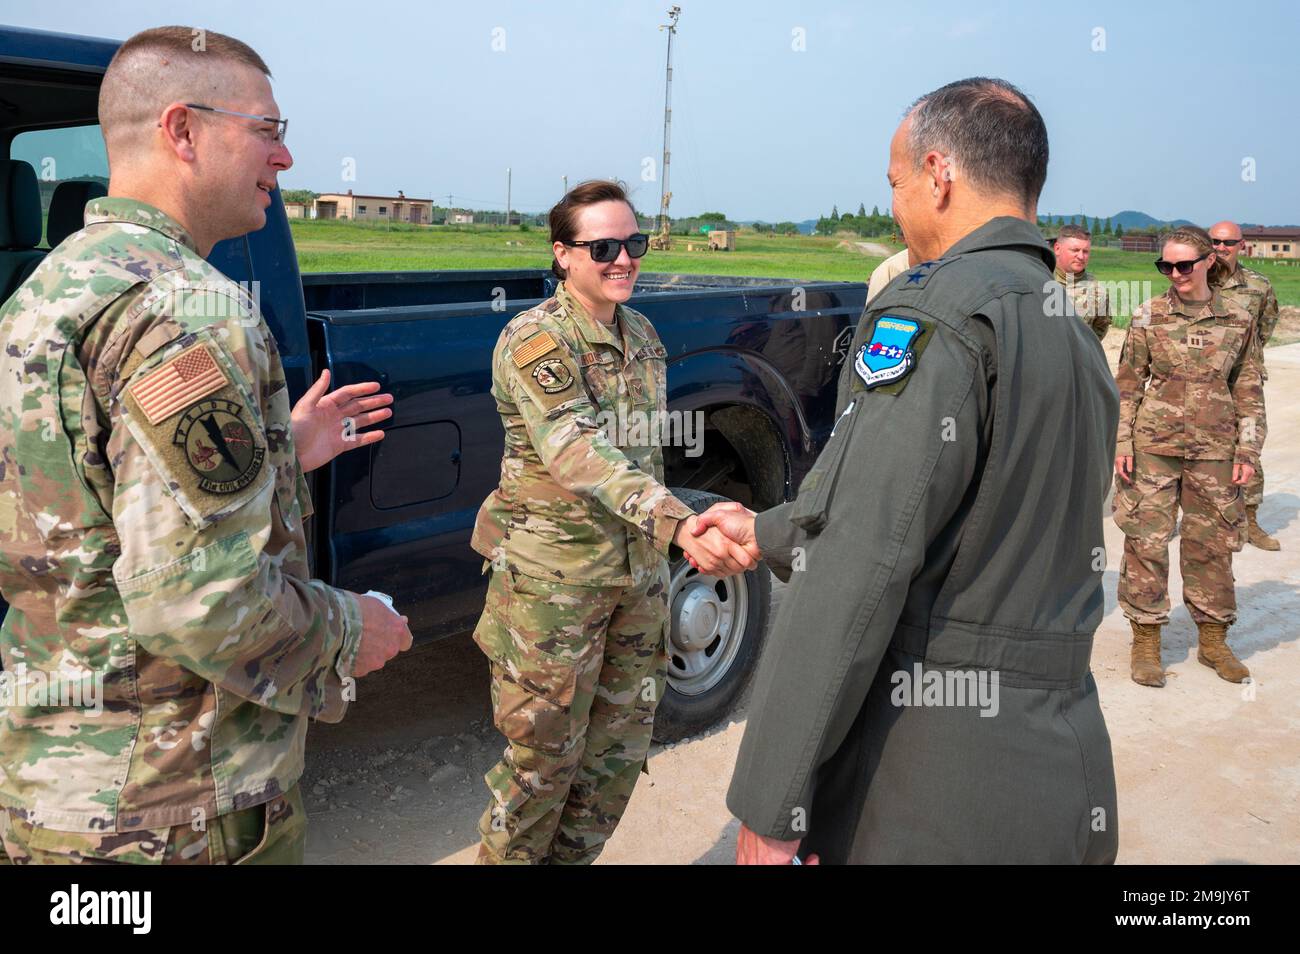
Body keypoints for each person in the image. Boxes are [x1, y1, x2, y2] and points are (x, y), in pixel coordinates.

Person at [0, 27, 410, 866]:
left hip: (58, 792)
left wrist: (275, 450)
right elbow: (199, 605)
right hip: (175, 809)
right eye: (267, 129)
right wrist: (350, 629)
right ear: (182, 131)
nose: (288, 157)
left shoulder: (49, 290)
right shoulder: (186, 312)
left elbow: (80, 506)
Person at [695, 78, 1120, 864]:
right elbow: (977, 513)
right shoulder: (1072, 331)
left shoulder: (936, 314)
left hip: (933, 784)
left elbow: (859, 564)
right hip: (1063, 770)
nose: (893, 205)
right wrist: (767, 529)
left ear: (938, 173)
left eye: (894, 185)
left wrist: (769, 804)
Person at [468, 180, 756, 864]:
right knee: (542, 768)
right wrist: (680, 524)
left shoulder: (644, 336)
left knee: (613, 761)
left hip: (636, 582)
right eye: (603, 247)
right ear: (564, 255)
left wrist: (678, 529)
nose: (623, 259)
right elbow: (576, 452)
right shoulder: (533, 339)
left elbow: (640, 456)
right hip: (555, 592)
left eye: (634, 243)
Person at [1114, 226, 1263, 687]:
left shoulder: (1238, 318)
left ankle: (1213, 640)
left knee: (1212, 546)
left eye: (1183, 265)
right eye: (1166, 266)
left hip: (1215, 451)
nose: (1175, 273)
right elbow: (1127, 386)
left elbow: (1249, 389)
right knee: (1146, 542)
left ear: (1206, 263)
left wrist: (1249, 449)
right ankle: (1146, 640)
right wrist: (1121, 443)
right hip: (1153, 450)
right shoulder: (1148, 316)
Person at [1209, 220, 1281, 550]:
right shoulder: (1196, 278)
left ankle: (1249, 520)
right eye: (1215, 242)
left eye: (1228, 242)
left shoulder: (1258, 286)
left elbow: (1265, 328)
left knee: (1248, 443)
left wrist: (1243, 359)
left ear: (1242, 245)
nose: (1221, 248)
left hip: (1243, 381)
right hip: (1203, 380)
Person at [1053, 223, 1111, 340]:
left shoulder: (1097, 290)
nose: (1081, 256)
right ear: (1057, 249)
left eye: (1085, 251)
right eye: (1075, 250)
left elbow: (1100, 329)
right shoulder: (1040, 279)